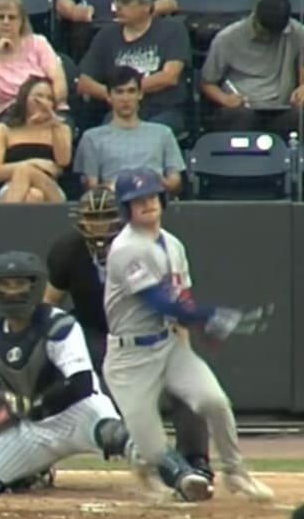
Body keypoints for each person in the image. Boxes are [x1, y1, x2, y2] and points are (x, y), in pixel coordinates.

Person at [0, 250, 212, 502]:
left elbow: (80, 383)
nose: (13, 292)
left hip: (82, 411)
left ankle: (184, 476)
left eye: (20, 284)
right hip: (35, 426)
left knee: (120, 436)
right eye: (6, 285)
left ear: (35, 286)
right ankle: (34, 472)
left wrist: (34, 404)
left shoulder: (58, 325)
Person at [101, 167, 275, 501]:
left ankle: (236, 473)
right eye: (138, 200)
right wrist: (210, 315)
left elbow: (182, 298)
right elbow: (159, 301)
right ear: (126, 208)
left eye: (152, 196)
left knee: (215, 401)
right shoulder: (126, 248)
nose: (147, 204)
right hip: (129, 357)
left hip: (169, 344)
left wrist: (199, 327)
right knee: (153, 447)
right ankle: (143, 463)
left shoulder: (173, 244)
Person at [44, 188, 214, 479]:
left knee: (187, 388)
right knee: (49, 375)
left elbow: (177, 304)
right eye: (92, 219)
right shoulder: (67, 249)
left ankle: (196, 461)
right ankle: (37, 459)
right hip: (92, 331)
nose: (99, 227)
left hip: (150, 330)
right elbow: (49, 304)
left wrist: (184, 352)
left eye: (106, 218)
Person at [76, 0, 190, 134]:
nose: (118, 7)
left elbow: (169, 76)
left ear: (147, 5)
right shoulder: (106, 35)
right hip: (119, 113)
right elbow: (84, 82)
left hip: (162, 110)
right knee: (106, 133)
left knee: (150, 134)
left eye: (126, 1)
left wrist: (125, 91)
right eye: (116, 1)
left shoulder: (172, 31)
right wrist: (116, 96)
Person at [199, 0, 304, 140]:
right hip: (242, 107)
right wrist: (225, 99)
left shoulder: (301, 34)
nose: (267, 36)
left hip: (281, 108)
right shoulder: (227, 38)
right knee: (242, 117)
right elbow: (207, 83)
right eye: (263, 30)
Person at [74, 67, 184, 195]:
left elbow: (175, 180)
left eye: (131, 91)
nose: (125, 98)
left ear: (140, 94)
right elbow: (91, 186)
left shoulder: (163, 133)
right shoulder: (92, 138)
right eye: (119, 92)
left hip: (153, 199)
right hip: (113, 203)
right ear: (109, 96)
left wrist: (158, 182)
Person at [0, 0, 66, 127]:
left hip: (44, 109)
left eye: (12, 17)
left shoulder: (38, 43)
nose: (6, 22)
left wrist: (43, 107)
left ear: (21, 22)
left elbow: (60, 86)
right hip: (5, 115)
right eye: (0, 17)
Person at [0, 76, 68, 203]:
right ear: (24, 99)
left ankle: (2, 221)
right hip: (12, 186)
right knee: (34, 196)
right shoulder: (3, 129)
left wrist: (55, 124)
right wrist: (33, 163)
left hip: (50, 188)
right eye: (38, 96)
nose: (44, 102)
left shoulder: (61, 128)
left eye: (49, 98)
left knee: (25, 171)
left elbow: (63, 161)